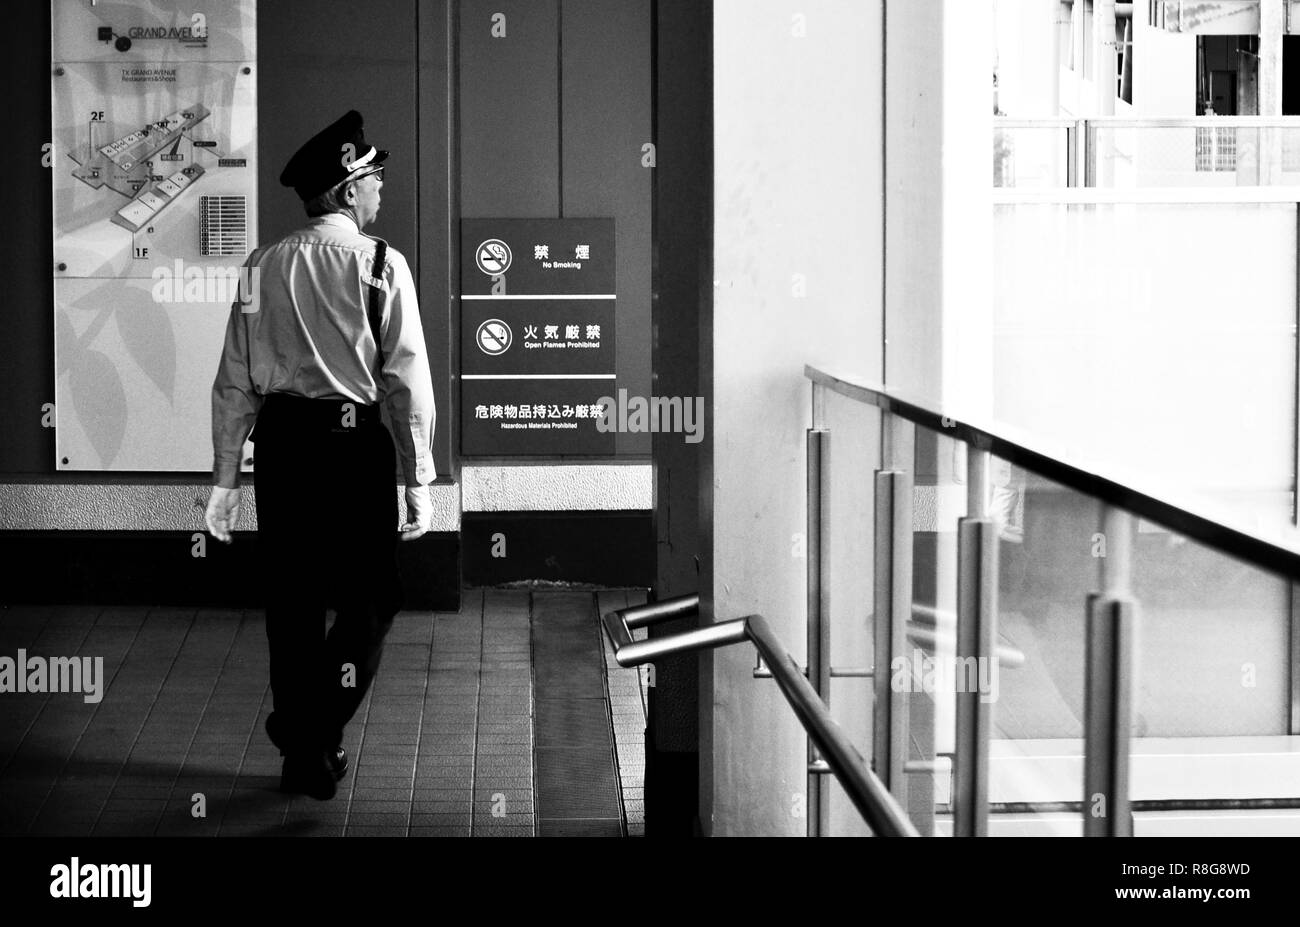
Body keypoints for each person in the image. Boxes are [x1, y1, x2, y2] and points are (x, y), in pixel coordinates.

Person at [204, 110, 436, 800]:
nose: (380, 191)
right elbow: (405, 382)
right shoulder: (381, 265)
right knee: (373, 597)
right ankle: (312, 730)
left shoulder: (260, 265)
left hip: (283, 449)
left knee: (293, 603)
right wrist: (416, 475)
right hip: (355, 448)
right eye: (373, 178)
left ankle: (303, 739)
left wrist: (224, 478)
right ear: (346, 189)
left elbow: (234, 382)